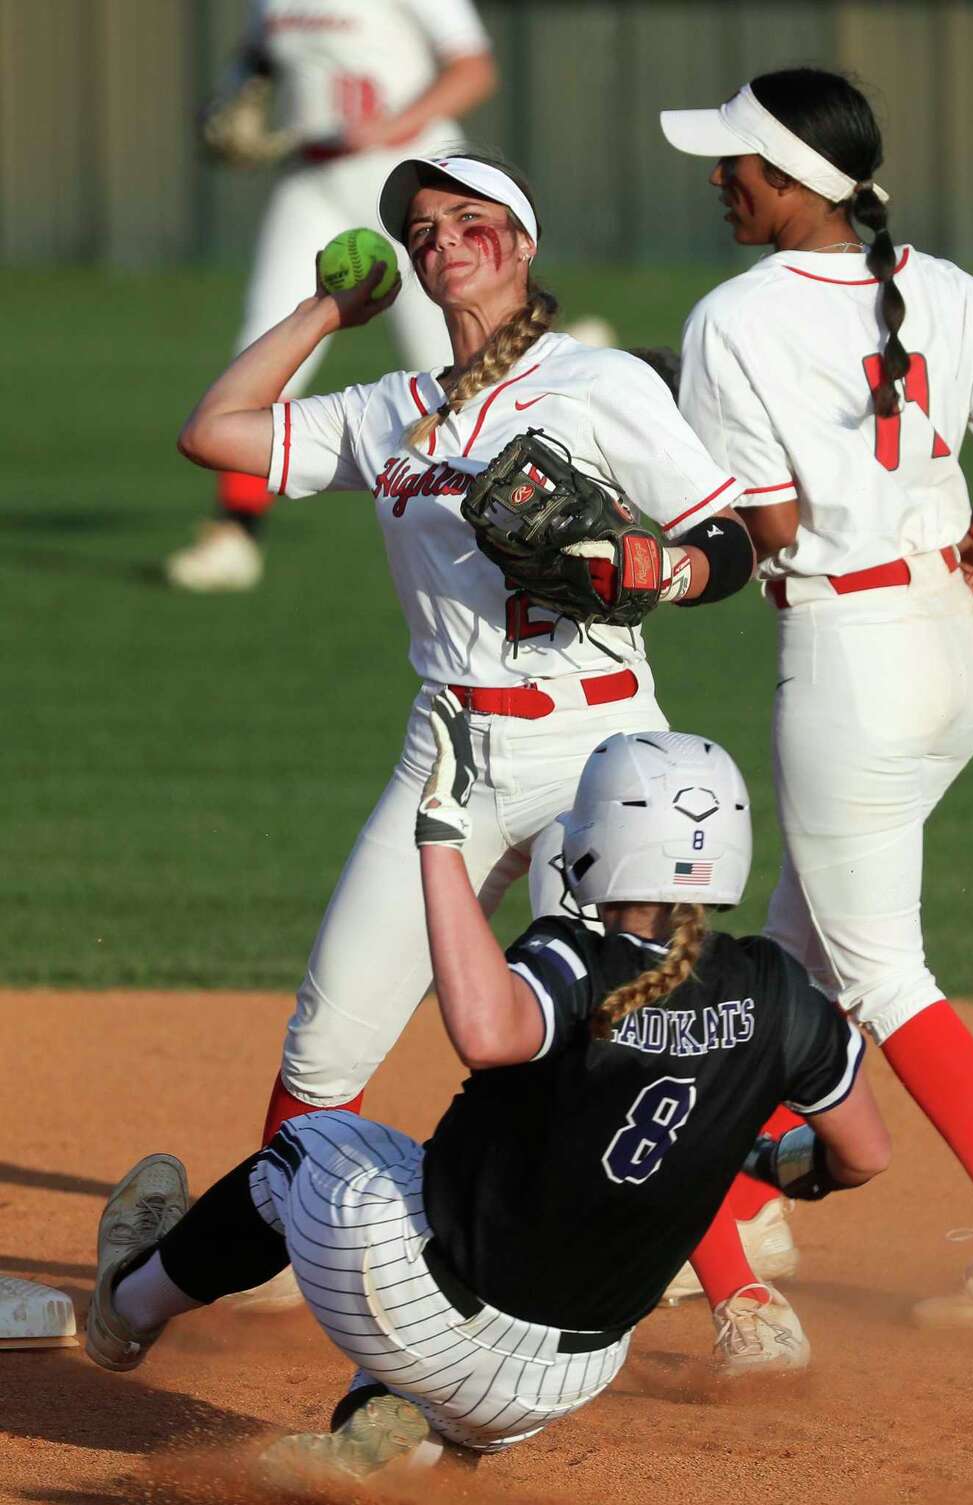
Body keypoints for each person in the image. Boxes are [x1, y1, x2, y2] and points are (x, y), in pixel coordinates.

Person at [175, 152, 759, 1309]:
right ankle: (268, 1256)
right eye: (425, 227)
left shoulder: (595, 381)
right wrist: (327, 311)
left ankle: (742, 1295)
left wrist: (671, 570)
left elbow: (730, 537)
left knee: (616, 1027)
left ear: (524, 244)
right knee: (325, 1045)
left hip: (597, 751)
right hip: (445, 754)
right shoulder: (390, 409)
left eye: (472, 219)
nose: (444, 239)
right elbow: (217, 432)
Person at [83, 719, 890, 1480]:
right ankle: (409, 1443)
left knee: (307, 1148)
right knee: (430, 1303)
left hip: (422, 1310)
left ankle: (127, 1308)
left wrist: (440, 842)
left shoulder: (581, 959)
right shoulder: (781, 992)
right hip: (565, 1380)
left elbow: (483, 1030)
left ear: (600, 842)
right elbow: (863, 1155)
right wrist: (773, 1161)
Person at [658, 67, 973, 1333]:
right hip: (952, 648)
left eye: (736, 162)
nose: (719, 179)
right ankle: (750, 1204)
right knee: (800, 947)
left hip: (850, 660)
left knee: (876, 968)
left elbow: (768, 526)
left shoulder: (734, 318)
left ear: (793, 179)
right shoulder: (947, 286)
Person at [166, 0, 497, 591]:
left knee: (457, 363)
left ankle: (519, 517)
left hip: (410, 174)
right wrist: (236, 96)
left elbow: (474, 70)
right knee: (269, 340)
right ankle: (235, 531)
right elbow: (258, 57)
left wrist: (395, 125)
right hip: (315, 179)